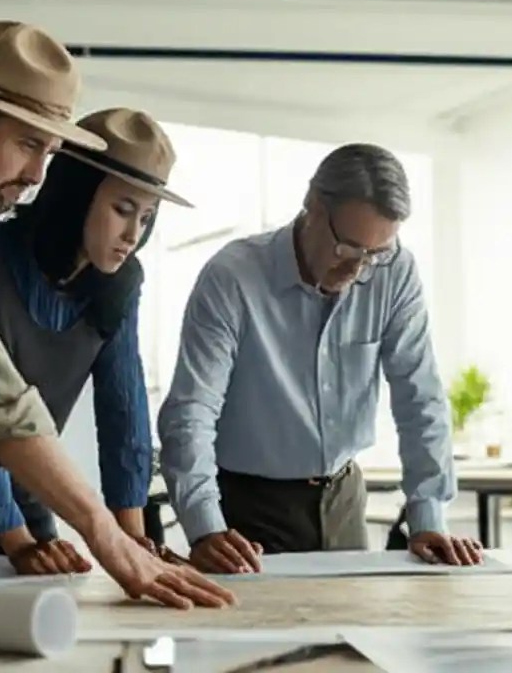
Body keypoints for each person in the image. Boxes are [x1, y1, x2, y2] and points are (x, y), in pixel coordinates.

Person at [0, 20, 232, 608]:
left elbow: (122, 417)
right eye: (27, 144)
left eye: (49, 152)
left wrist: (132, 534)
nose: (37, 176)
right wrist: (105, 536)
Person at [158, 143, 484, 574]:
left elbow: (419, 395)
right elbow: (191, 412)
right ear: (312, 205)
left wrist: (427, 517)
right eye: (348, 247)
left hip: (343, 499)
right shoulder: (232, 277)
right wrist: (205, 528)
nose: (358, 269)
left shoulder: (395, 270)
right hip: (246, 511)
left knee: (349, 637)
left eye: (375, 254)